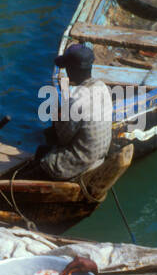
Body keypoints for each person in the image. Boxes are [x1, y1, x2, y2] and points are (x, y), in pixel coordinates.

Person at [35, 43, 113, 181]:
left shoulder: (76, 100)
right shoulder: (102, 87)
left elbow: (62, 139)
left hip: (82, 163)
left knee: (41, 156)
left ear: (71, 70)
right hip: (99, 158)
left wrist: (58, 118)